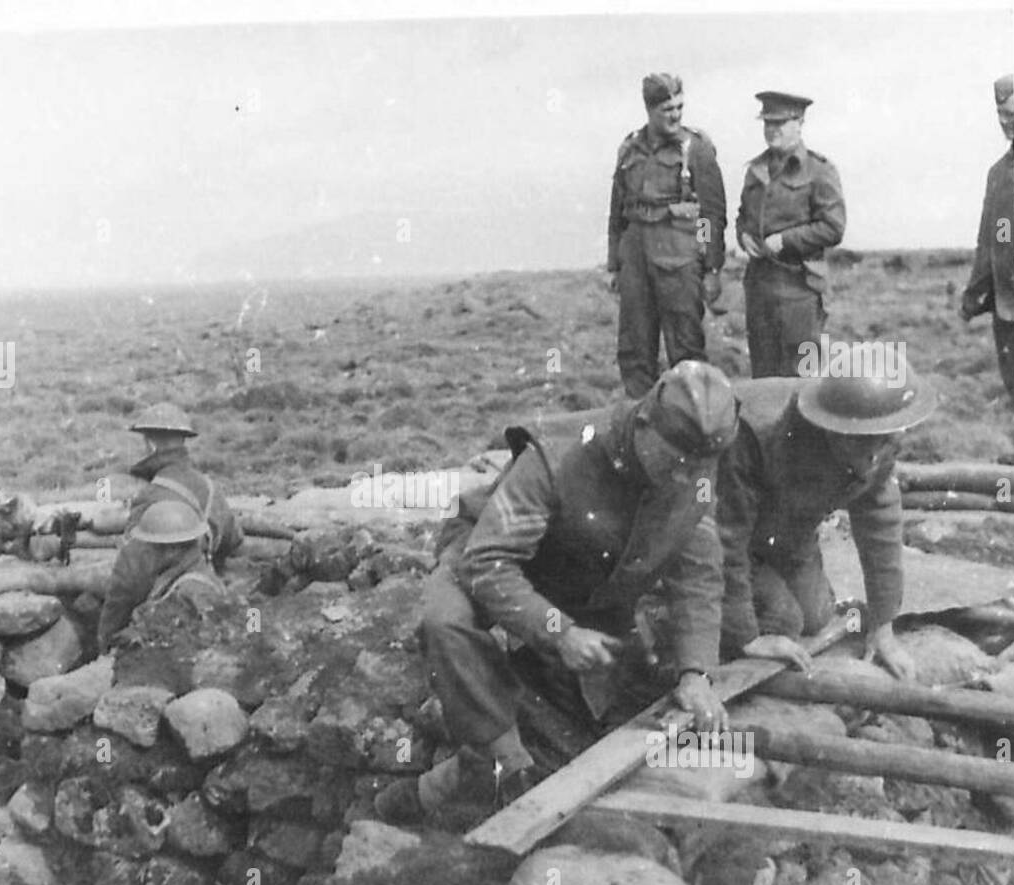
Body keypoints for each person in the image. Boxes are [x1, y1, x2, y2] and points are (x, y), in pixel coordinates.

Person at [375, 362, 738, 825]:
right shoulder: (559, 456)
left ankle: (457, 780)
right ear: (644, 426)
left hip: (586, 578)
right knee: (447, 621)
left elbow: (698, 576)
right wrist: (560, 632)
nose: (684, 481)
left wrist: (696, 672)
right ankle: (505, 760)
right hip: (493, 553)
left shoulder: (693, 474)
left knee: (597, 714)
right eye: (674, 463)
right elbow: (488, 564)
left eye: (696, 469)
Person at [717, 367, 938, 681]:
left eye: (882, 442)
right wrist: (746, 636)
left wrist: (883, 625)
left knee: (816, 615)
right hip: (720, 531)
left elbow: (880, 526)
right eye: (863, 444)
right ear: (833, 430)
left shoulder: (879, 437)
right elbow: (726, 533)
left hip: (785, 534)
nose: (872, 457)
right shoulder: (757, 432)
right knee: (783, 620)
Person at [607, 73, 727, 399]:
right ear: (649, 110)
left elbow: (711, 215)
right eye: (667, 109)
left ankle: (693, 422)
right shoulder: (629, 149)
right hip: (635, 261)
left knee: (686, 350)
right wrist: (615, 265)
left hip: (679, 260)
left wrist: (711, 267)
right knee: (634, 351)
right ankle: (639, 426)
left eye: (679, 107)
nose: (675, 115)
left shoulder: (696, 150)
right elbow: (618, 212)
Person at [736, 91, 846, 378]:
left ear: (800, 123)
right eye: (767, 123)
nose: (772, 130)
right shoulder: (756, 171)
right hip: (760, 290)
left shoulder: (819, 171)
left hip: (801, 290)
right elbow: (742, 216)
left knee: (803, 379)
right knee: (764, 377)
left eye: (780, 123)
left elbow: (833, 227)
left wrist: (785, 240)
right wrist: (743, 236)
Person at [960, 74, 1014, 418]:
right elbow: (994, 240)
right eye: (1002, 117)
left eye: (1013, 115)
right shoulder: (999, 174)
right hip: (1009, 305)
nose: (1006, 123)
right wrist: (973, 297)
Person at [124, 402, 243, 572]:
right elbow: (233, 539)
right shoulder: (211, 488)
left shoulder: (150, 495)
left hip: (165, 592)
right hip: (207, 583)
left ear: (151, 445)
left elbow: (131, 563)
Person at [97, 499, 228, 650]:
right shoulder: (190, 575)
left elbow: (158, 637)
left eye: (151, 547)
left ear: (172, 550)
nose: (145, 552)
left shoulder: (188, 592)